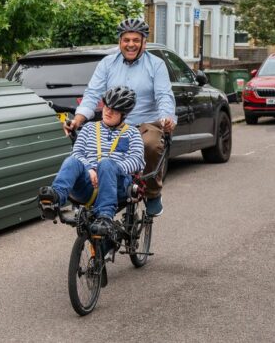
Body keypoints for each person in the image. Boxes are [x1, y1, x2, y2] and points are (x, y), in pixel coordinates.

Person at [62, 18, 176, 217]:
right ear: (120, 42)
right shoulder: (107, 63)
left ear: (144, 43)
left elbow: (164, 95)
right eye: (126, 40)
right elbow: (92, 93)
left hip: (145, 123)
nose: (130, 44)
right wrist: (78, 119)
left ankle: (152, 192)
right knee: (93, 150)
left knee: (150, 145)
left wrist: (166, 118)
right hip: (113, 123)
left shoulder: (156, 65)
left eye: (135, 40)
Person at [38, 86, 143, 236]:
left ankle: (105, 217)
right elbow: (78, 152)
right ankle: (55, 199)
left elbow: (137, 160)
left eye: (115, 109)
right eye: (107, 106)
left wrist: (107, 169)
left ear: (124, 114)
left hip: (117, 186)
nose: (108, 111)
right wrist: (89, 168)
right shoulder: (88, 128)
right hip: (88, 184)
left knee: (106, 164)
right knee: (72, 160)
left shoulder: (132, 133)